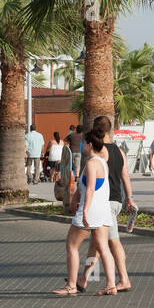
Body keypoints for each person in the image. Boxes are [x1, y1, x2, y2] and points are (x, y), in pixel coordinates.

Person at [53, 127, 118, 296]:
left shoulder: (91, 164)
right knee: (104, 248)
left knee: (71, 246)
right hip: (103, 211)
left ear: (89, 145)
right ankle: (111, 285)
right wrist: (76, 200)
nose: (81, 146)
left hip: (91, 211)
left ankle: (71, 285)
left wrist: (85, 212)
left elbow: (90, 190)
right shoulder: (103, 162)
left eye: (83, 143)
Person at [75, 116, 135, 291]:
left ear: (96, 130)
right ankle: (83, 279)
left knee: (112, 242)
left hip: (104, 202)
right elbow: (125, 177)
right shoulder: (120, 151)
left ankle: (123, 279)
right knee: (96, 244)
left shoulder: (100, 152)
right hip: (116, 200)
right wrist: (129, 198)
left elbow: (89, 178)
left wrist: (77, 197)